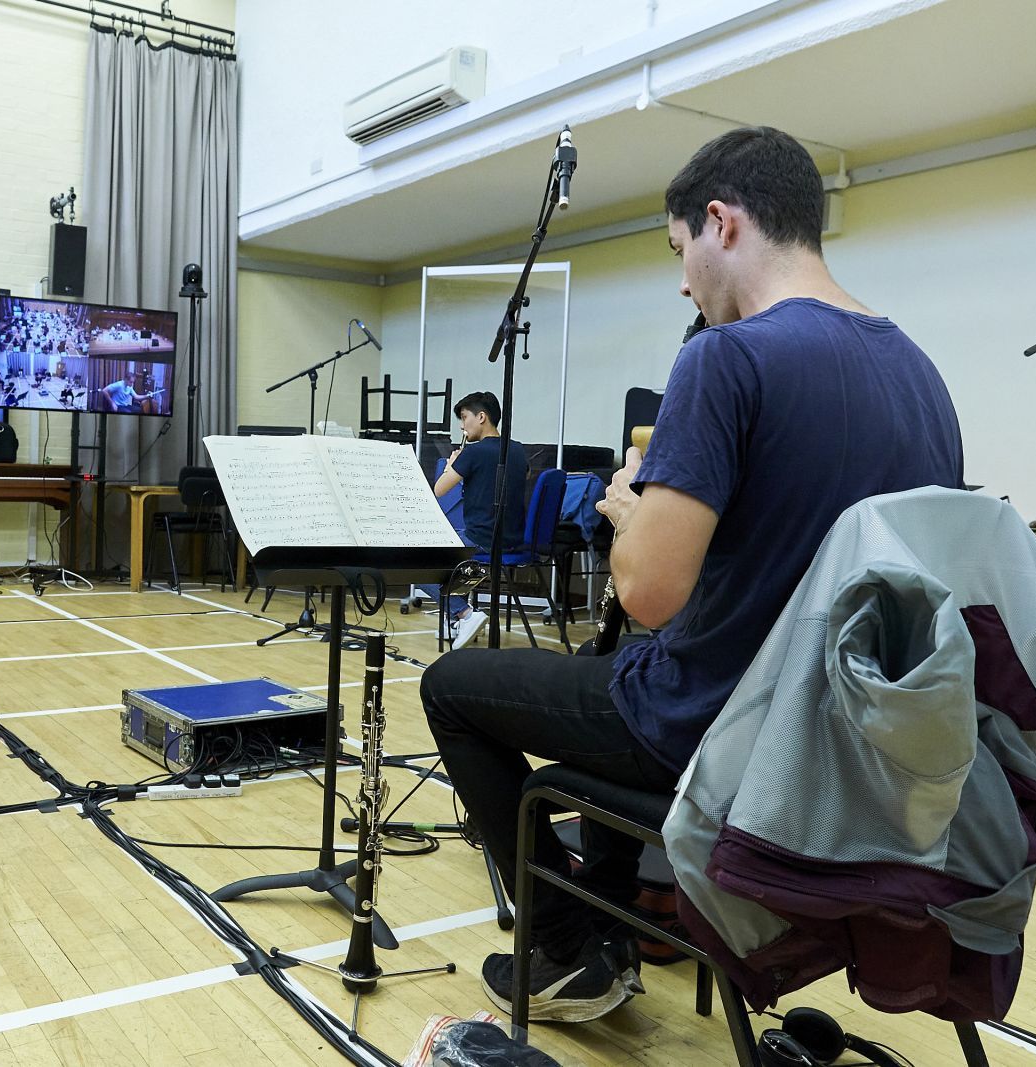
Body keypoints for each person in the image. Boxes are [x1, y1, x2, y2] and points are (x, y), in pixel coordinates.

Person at [421, 127, 964, 1024]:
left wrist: (636, 515)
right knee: (598, 689)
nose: (683, 282)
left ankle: (564, 948)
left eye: (681, 253)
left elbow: (647, 593)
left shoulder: (727, 356)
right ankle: (618, 923)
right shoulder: (920, 376)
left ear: (721, 223)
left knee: (451, 686)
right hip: (846, 750)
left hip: (712, 727)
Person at [415, 391, 529, 649]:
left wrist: (452, 464)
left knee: (414, 559)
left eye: (464, 417)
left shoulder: (473, 453)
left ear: (481, 417)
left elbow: (440, 489)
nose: (461, 425)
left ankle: (464, 614)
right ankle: (454, 616)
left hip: (481, 539)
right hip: (513, 540)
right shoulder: (520, 451)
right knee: (449, 550)